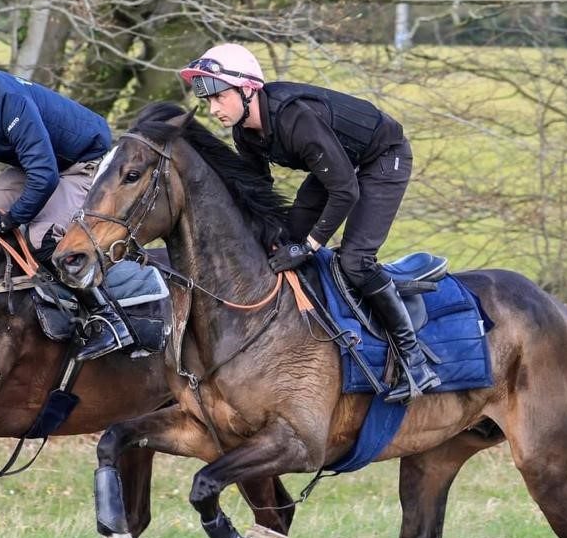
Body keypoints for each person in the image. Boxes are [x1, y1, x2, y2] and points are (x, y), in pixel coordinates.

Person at [179, 43, 440, 403]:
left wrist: (309, 246)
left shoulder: (295, 119)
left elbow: (345, 191)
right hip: (341, 163)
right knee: (280, 241)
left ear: (248, 89)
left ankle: (415, 361)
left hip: (382, 158)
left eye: (219, 97)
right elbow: (258, 191)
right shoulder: (245, 131)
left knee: (355, 260)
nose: (214, 109)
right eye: (208, 101)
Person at [0, 27, 133, 361]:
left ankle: (109, 318)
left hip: (84, 163)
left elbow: (44, 177)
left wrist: (12, 219)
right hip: (38, 165)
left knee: (41, 236)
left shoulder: (9, 101)